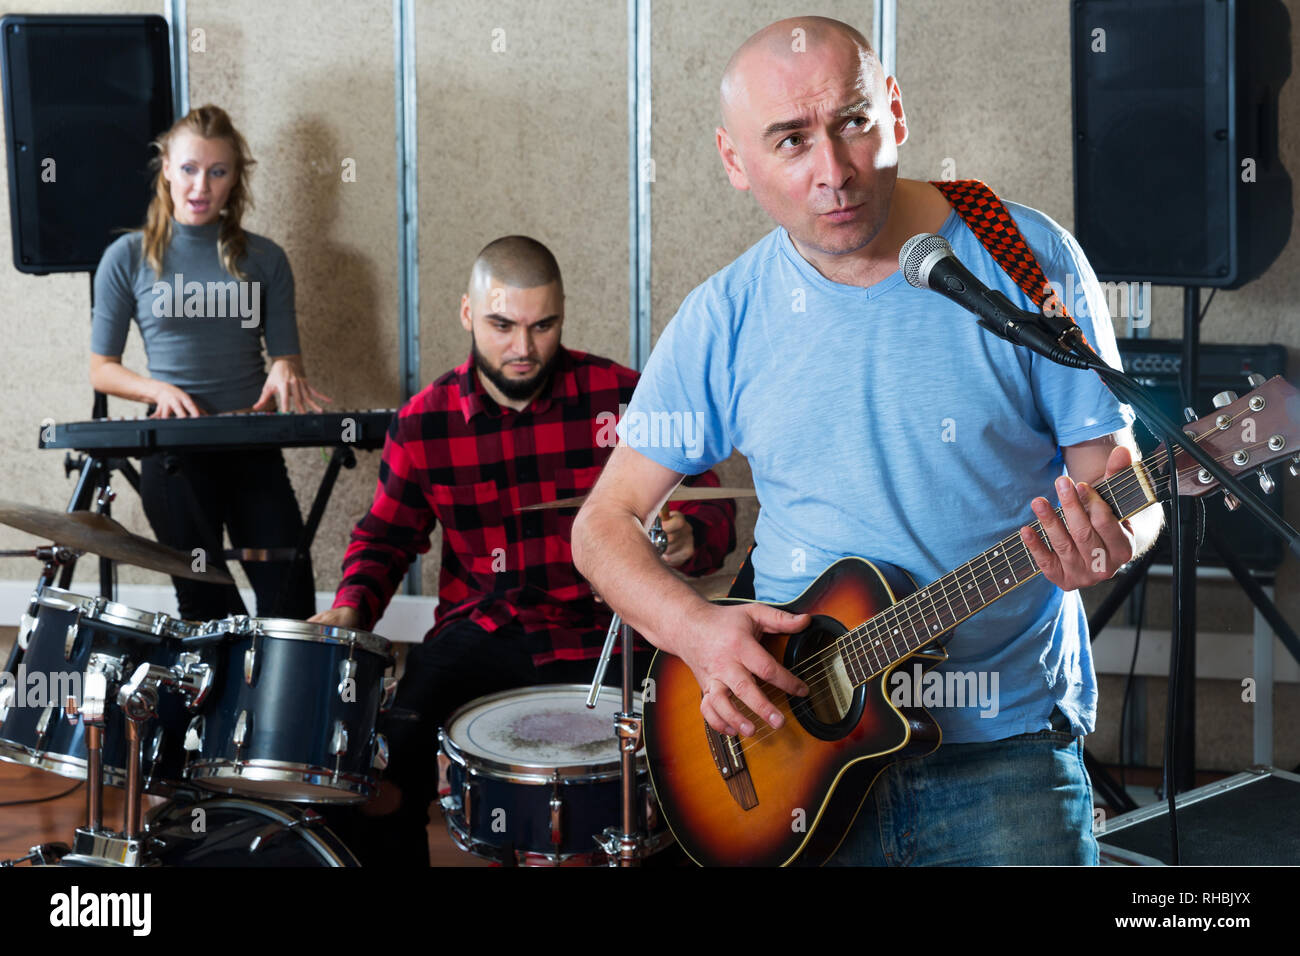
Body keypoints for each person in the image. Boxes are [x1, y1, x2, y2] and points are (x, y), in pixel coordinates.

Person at [571, 17, 1165, 866]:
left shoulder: (1028, 262)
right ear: (735, 161)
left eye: (852, 122)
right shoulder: (725, 318)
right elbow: (602, 526)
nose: (834, 171)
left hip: (1005, 753)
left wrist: (1114, 539)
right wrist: (696, 632)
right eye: (790, 140)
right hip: (790, 754)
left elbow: (1120, 483)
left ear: (895, 109)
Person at [310, 235, 737, 866]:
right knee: (382, 760)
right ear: (467, 313)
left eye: (543, 326)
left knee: (684, 755)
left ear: (562, 315)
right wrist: (352, 606)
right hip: (483, 628)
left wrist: (691, 534)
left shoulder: (623, 398)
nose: (524, 348)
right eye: (502, 325)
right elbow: (385, 538)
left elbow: (710, 498)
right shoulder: (424, 422)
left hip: (609, 626)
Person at [90, 104, 328, 621]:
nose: (201, 186)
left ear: (235, 178)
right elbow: (102, 369)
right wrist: (157, 390)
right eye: (189, 169)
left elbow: (286, 359)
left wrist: (286, 368)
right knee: (208, 607)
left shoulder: (265, 259)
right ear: (167, 170)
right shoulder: (127, 257)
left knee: (290, 603)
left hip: (252, 448)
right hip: (175, 454)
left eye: (218, 171)